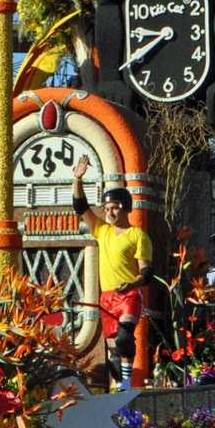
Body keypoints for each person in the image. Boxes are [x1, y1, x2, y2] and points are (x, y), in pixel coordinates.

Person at [71, 155, 151, 382]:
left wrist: (133, 284)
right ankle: (118, 388)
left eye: (114, 208)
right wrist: (77, 179)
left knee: (125, 338)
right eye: (106, 209)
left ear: (125, 208)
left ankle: (126, 386)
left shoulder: (137, 235)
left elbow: (147, 272)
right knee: (114, 352)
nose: (110, 213)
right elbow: (81, 207)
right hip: (107, 297)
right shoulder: (101, 230)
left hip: (129, 295)